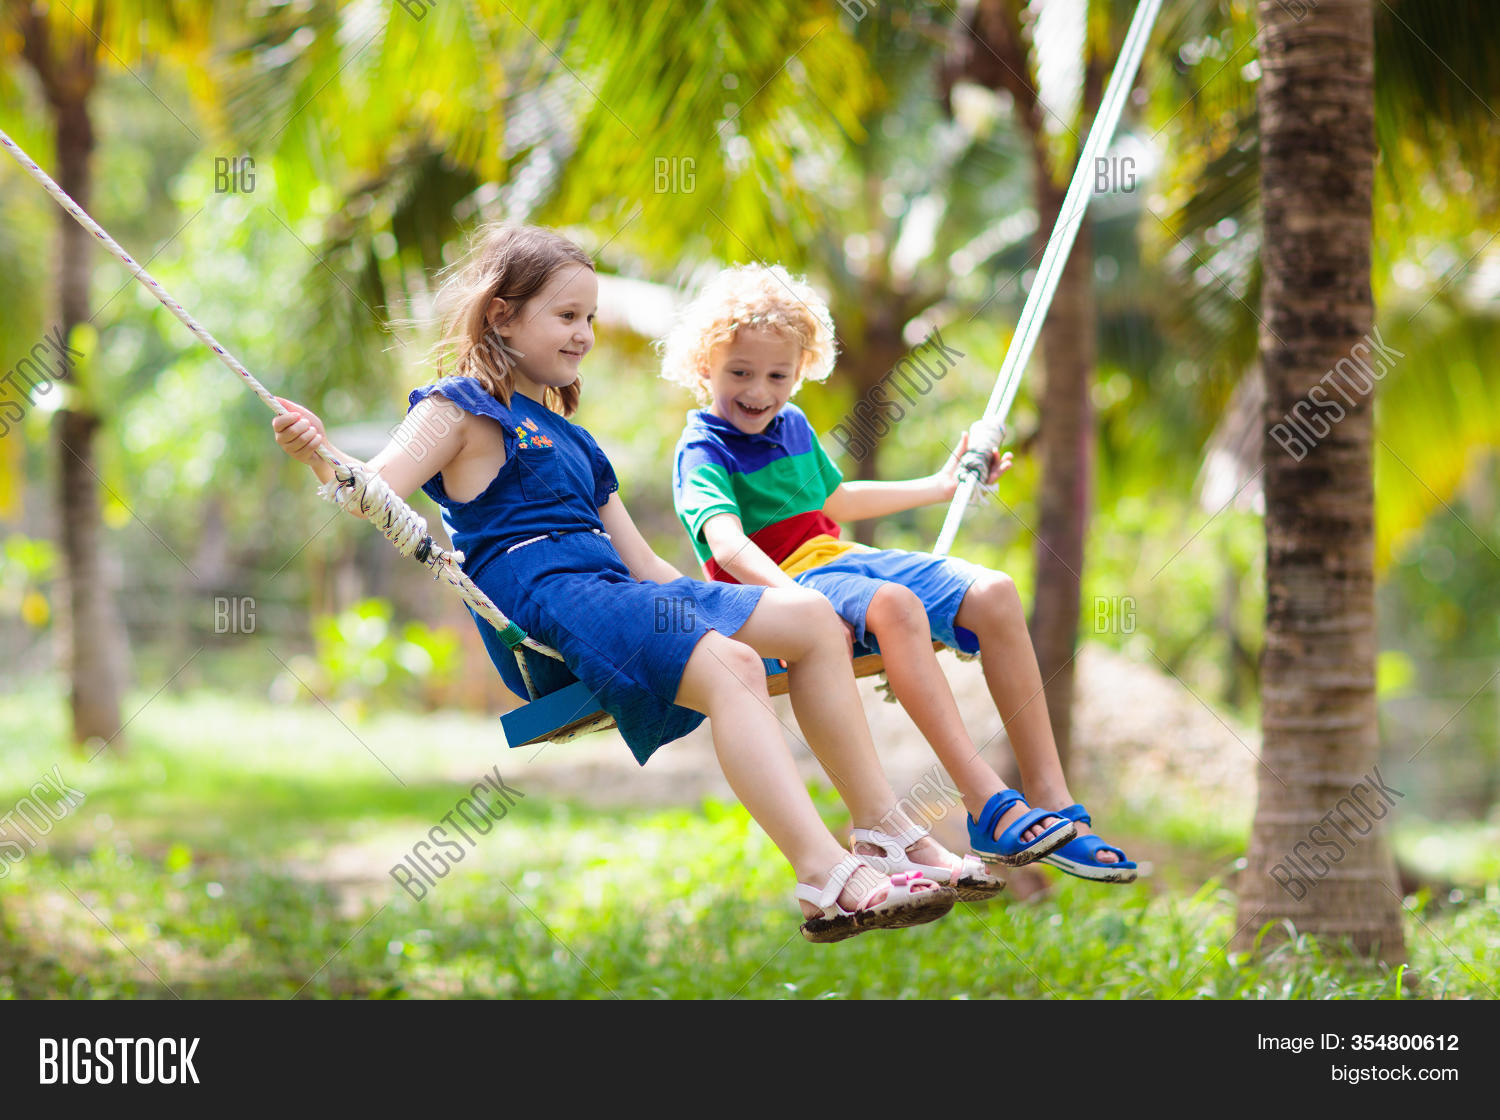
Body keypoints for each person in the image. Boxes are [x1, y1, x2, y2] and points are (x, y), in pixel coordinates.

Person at [271, 224, 969, 942]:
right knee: (730, 665)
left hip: (619, 591)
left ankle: (881, 831)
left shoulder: (578, 441)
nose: (583, 335)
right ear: (503, 315)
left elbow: (648, 566)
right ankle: (822, 873)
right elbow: (372, 490)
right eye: (567, 316)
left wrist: (748, 607)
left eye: (590, 319)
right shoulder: (457, 407)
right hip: (551, 597)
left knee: (813, 619)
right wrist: (322, 457)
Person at [663, 263, 1136, 884]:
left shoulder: (792, 427)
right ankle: (985, 802)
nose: (760, 390)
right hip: (773, 590)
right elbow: (727, 547)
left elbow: (832, 503)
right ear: (704, 368)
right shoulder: (703, 448)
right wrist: (798, 601)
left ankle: (1049, 793)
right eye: (741, 373)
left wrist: (940, 487)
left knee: (994, 592)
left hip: (837, 561)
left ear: (800, 371)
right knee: (894, 606)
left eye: (779, 374)